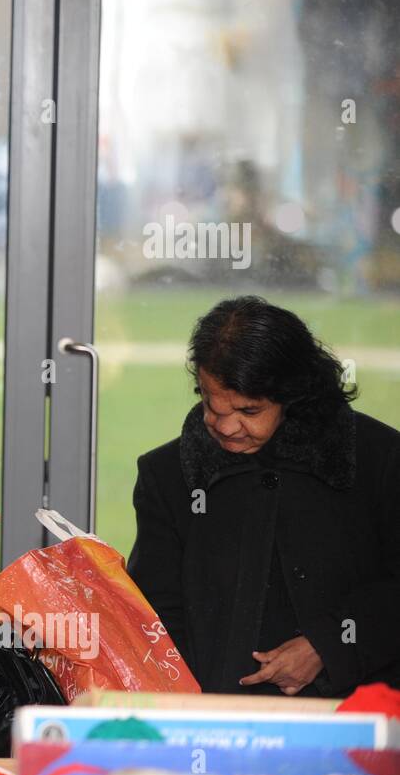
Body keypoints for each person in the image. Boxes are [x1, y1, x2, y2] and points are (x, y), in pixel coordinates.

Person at [128, 296, 400, 696]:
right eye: (209, 402)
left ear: (293, 395)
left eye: (248, 411)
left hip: (357, 713)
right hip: (212, 721)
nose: (223, 426)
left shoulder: (379, 459)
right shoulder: (166, 475)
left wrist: (329, 644)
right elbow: (156, 612)